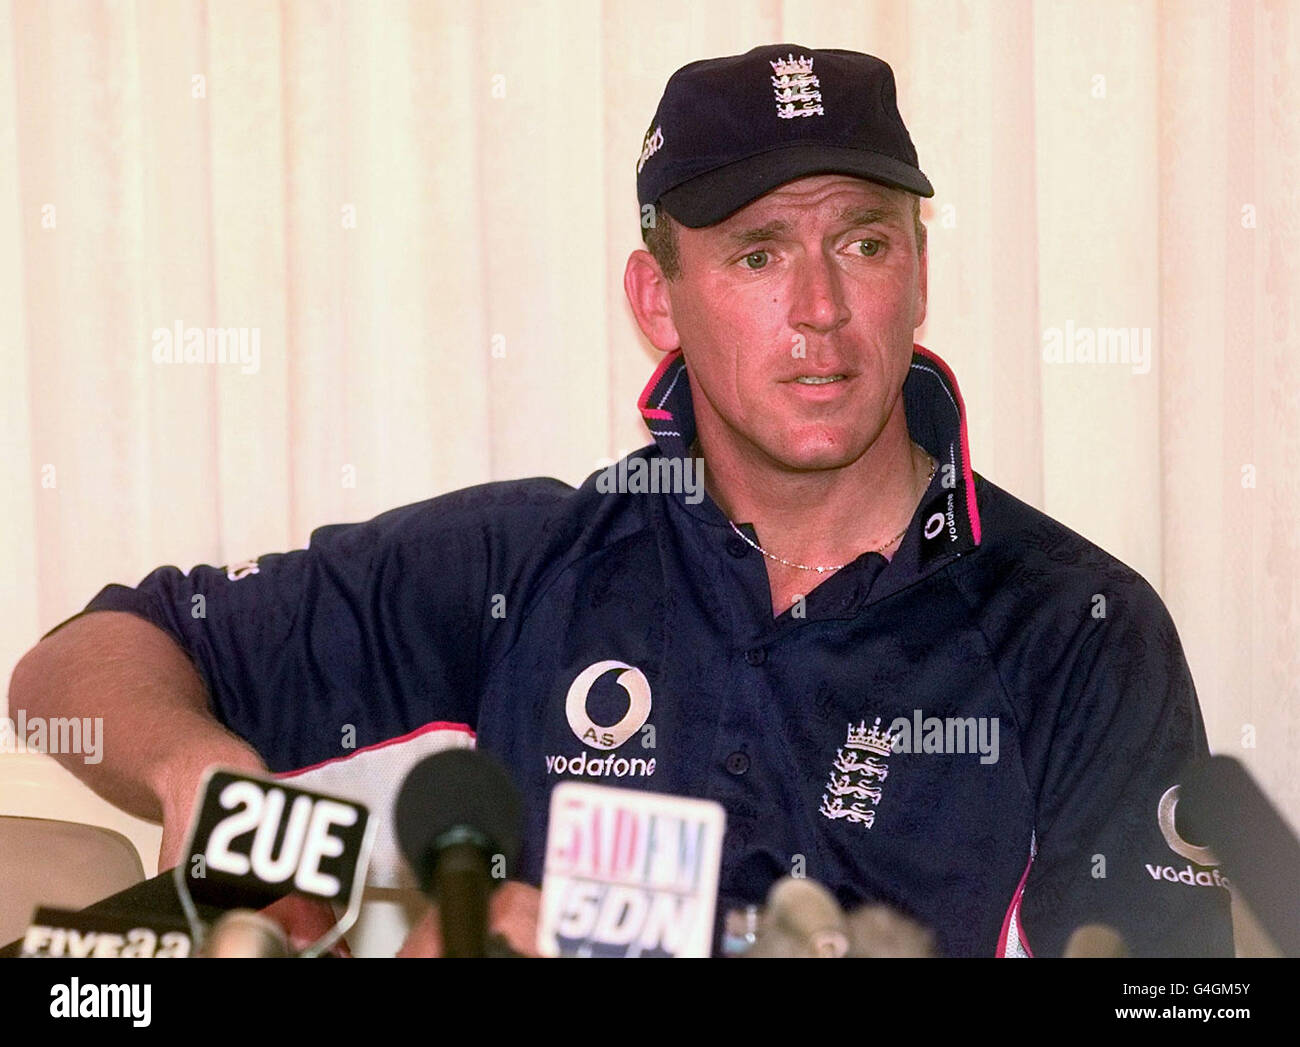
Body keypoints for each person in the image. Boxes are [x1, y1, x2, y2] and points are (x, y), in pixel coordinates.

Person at [10, 44, 1232, 957]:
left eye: (860, 243)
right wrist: (200, 781)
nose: (818, 308)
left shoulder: (1077, 628)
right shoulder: (525, 561)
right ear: (658, 301)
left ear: (915, 273)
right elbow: (76, 668)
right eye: (758, 254)